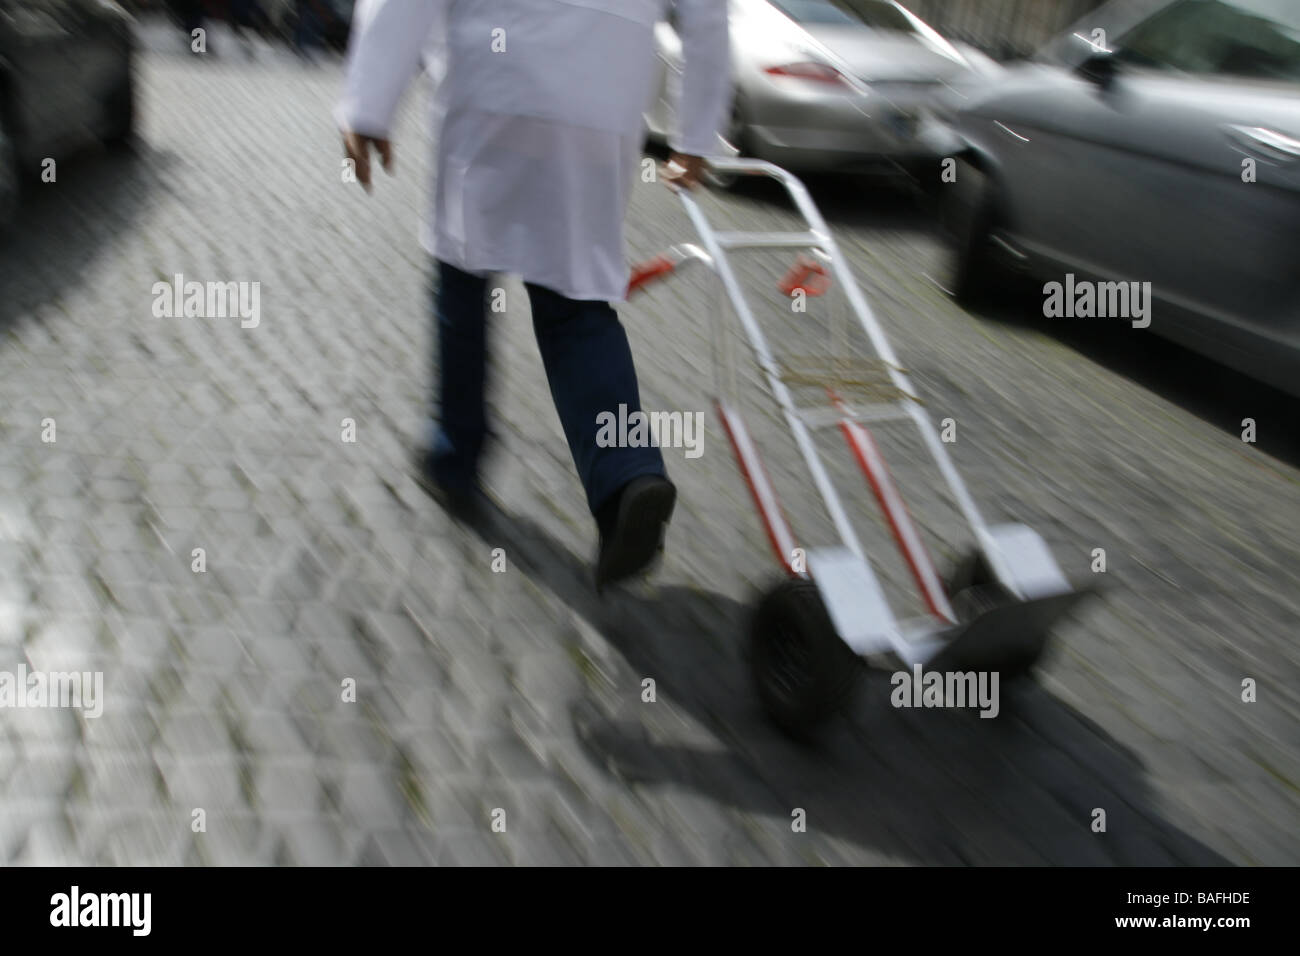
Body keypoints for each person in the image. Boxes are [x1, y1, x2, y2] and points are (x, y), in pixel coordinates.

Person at [335, 1, 730, 591]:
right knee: (576, 301)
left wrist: (368, 105)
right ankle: (626, 474)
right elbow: (707, 17)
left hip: (493, 82)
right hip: (600, 99)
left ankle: (455, 454)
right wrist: (696, 134)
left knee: (462, 278)